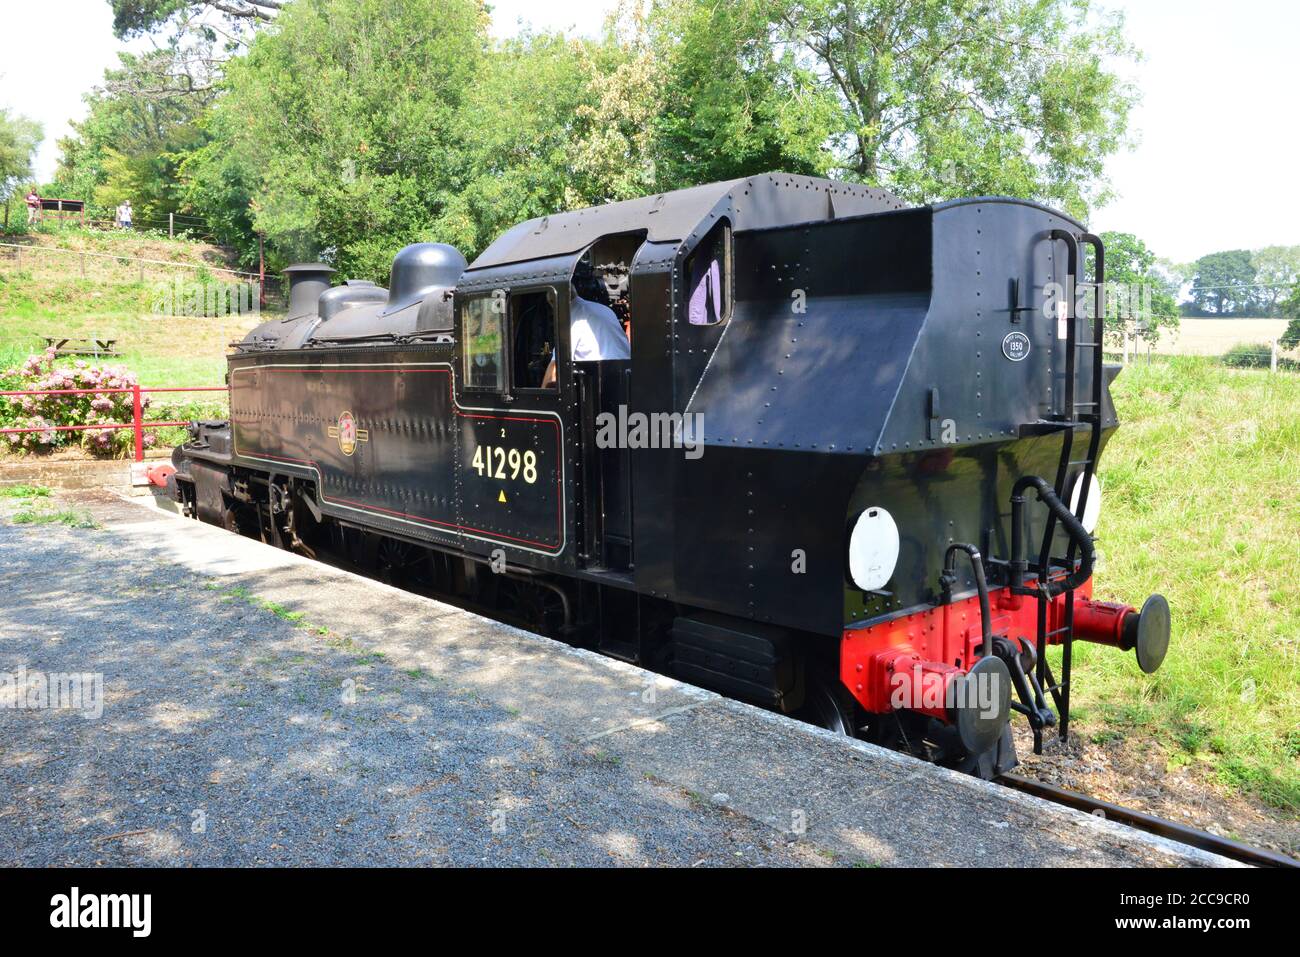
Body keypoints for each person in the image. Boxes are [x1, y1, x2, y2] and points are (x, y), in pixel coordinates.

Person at [541, 275, 630, 387]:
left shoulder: (570, 318)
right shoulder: (604, 309)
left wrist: (539, 399)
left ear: (553, 301)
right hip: (627, 380)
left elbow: (556, 367)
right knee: (622, 405)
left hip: (601, 383)